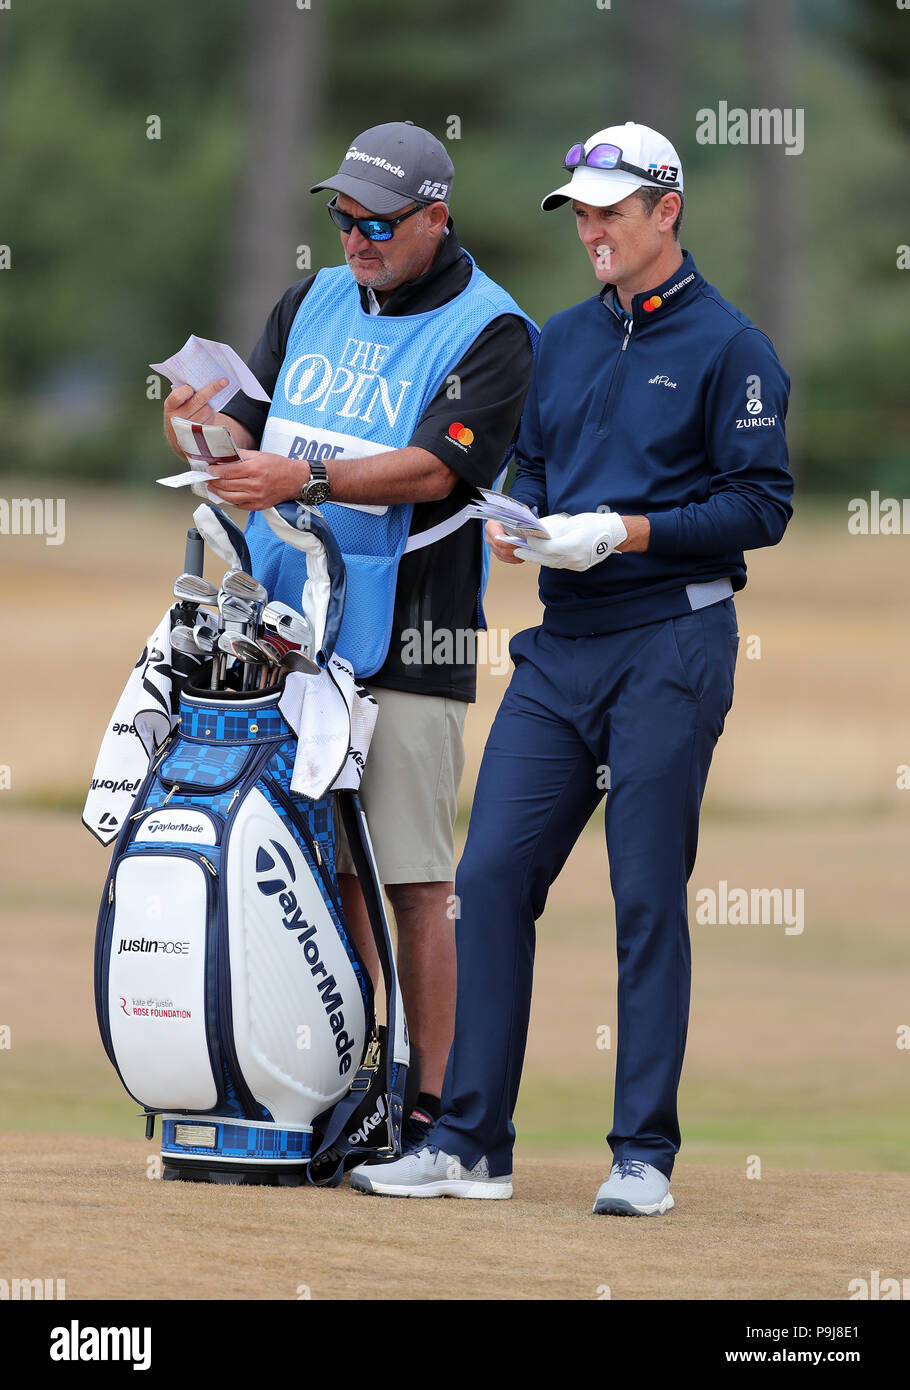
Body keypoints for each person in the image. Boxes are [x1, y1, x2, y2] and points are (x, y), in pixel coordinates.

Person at [350, 121, 793, 1213]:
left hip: (671, 644)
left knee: (644, 895)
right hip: (559, 651)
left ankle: (641, 1155)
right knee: (489, 877)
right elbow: (534, 467)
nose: (590, 229)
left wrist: (626, 533)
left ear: (665, 210)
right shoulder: (559, 337)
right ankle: (470, 1143)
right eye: (581, 213)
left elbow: (761, 503)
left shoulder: (732, 348)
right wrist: (525, 525)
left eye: (609, 210)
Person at [162, 121, 536, 1148]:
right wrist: (200, 429)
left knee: (414, 880)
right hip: (289, 629)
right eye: (343, 216)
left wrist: (305, 477)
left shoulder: (493, 328)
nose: (356, 238)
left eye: (378, 222)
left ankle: (440, 1108)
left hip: (412, 633)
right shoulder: (312, 296)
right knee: (319, 869)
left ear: (434, 219)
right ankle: (341, 1080)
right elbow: (248, 420)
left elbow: (436, 469)